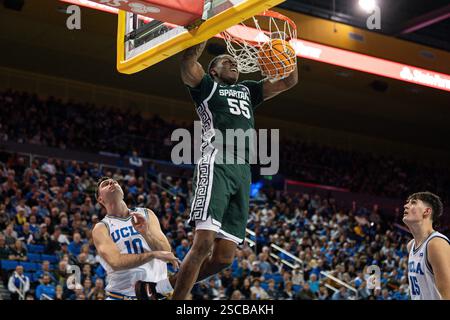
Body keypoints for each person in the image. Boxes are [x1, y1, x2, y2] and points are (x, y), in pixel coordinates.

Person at [168, 40, 298, 300]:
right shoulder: (207, 86)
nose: (233, 63)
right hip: (217, 161)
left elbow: (288, 82)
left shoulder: (248, 90)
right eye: (226, 61)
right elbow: (187, 63)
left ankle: (169, 284)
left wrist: (290, 55)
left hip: (243, 171)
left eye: (235, 62)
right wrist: (203, 34)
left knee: (224, 258)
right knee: (203, 242)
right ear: (213, 70)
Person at [92, 177, 179, 300]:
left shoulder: (146, 213)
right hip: (120, 296)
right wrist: (153, 254)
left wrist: (146, 233)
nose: (112, 183)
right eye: (106, 184)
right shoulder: (101, 228)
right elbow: (116, 262)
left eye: (115, 182)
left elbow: (165, 251)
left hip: (154, 295)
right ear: (100, 199)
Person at [403, 192, 450, 300]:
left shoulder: (436, 244)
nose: (406, 206)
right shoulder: (411, 246)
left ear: (427, 211)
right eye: (407, 203)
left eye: (413, 202)